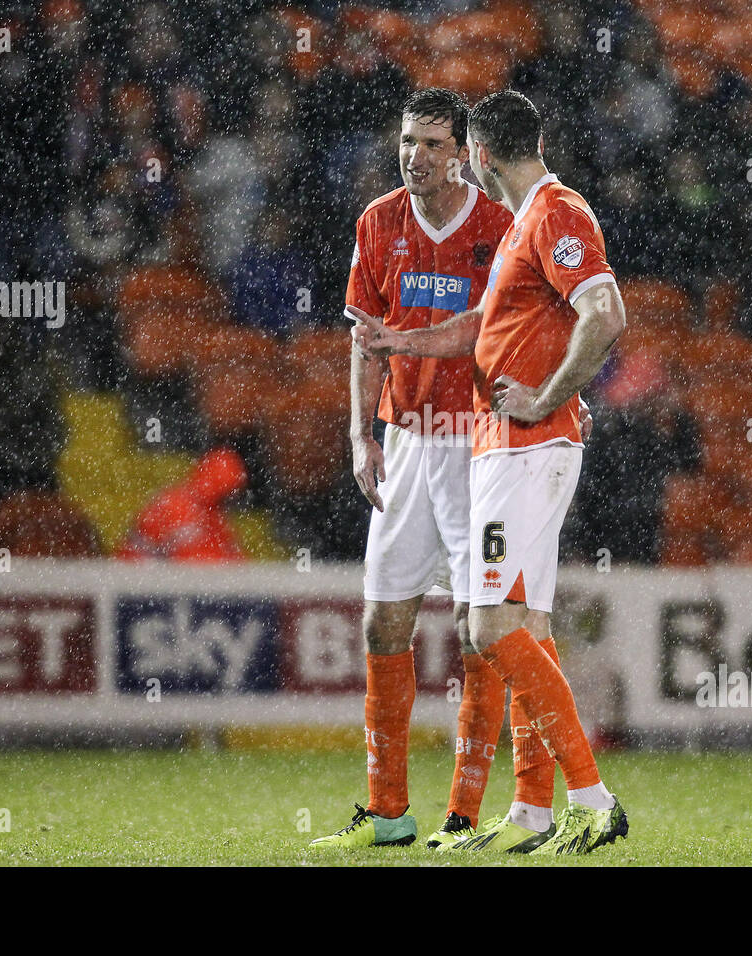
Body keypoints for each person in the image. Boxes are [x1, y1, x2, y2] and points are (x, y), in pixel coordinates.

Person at [353, 90, 628, 855]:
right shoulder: (528, 223)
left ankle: (595, 799)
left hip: (524, 444)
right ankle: (534, 812)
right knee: (525, 624)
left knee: (488, 625)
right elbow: (491, 332)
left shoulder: (550, 214)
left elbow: (605, 312)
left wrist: (551, 394)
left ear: (476, 153)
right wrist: (405, 343)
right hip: (509, 440)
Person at [311, 88, 557, 851]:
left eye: (431, 145)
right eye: (407, 142)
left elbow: (479, 330)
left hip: (477, 440)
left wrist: (402, 344)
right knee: (383, 618)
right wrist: (360, 434)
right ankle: (388, 812)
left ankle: (462, 811)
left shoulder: (498, 227)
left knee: (477, 629)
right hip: (408, 438)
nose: (414, 157)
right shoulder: (378, 222)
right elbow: (364, 338)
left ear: (463, 154)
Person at [116, 447, 248, 562]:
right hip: (151, 585)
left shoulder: (214, 518)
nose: (229, 502)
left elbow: (232, 566)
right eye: (228, 495)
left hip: (173, 583)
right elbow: (135, 555)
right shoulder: (174, 507)